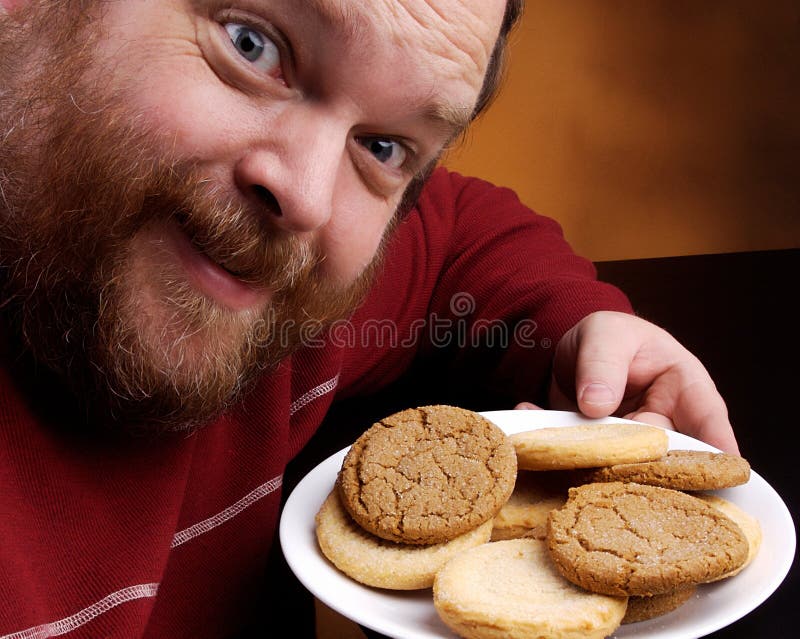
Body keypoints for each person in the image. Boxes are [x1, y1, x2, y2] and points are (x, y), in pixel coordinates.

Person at [0, 0, 737, 636]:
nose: (311, 199)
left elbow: (455, 228)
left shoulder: (260, 290)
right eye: (253, 44)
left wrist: (575, 325)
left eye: (382, 146)